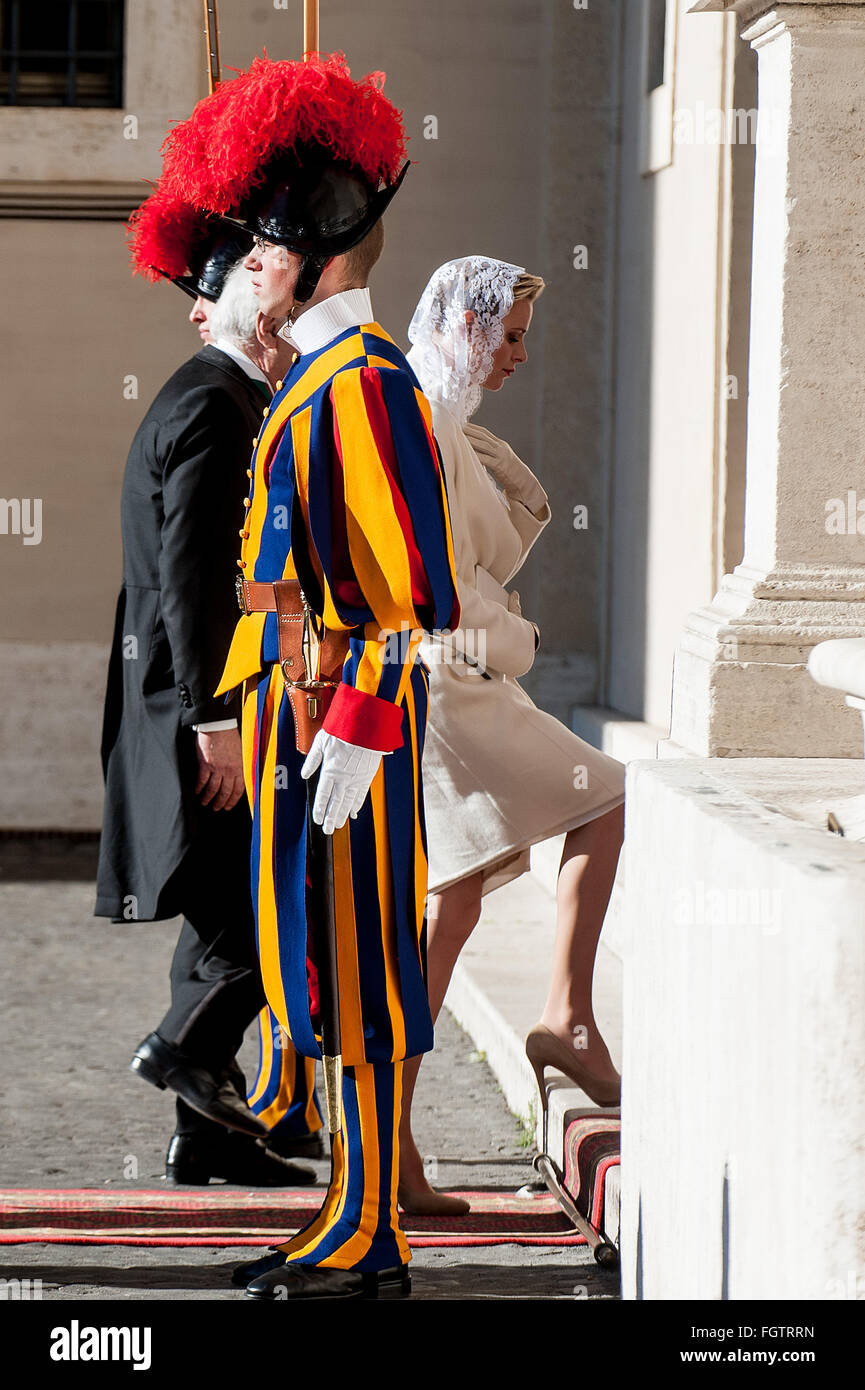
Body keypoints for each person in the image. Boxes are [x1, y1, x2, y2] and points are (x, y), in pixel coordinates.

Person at [159, 53, 459, 1300]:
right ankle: (345, 1213)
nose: (249, 273)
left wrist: (357, 721)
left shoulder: (364, 382)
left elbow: (410, 590)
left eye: (264, 250)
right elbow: (269, 586)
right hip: (302, 724)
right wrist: (244, 701)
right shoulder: (315, 382)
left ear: (314, 254)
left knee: (366, 969)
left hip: (351, 734)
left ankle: (367, 1236)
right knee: (318, 974)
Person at [96, 191, 319, 1187]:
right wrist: (213, 722)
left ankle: (208, 1135)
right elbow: (188, 581)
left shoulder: (223, 396)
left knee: (222, 916)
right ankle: (181, 1050)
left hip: (196, 699)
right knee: (272, 917)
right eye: (266, 280)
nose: (284, 305)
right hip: (201, 706)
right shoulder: (211, 403)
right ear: (216, 306)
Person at [399, 256, 626, 1215]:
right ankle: (566, 1017)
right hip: (449, 677)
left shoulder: (437, 415)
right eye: (512, 335)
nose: (521, 356)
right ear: (465, 325)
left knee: (447, 916)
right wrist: (516, 637)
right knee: (605, 795)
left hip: (453, 677)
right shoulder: (420, 418)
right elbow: (438, 587)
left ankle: (387, 1140)